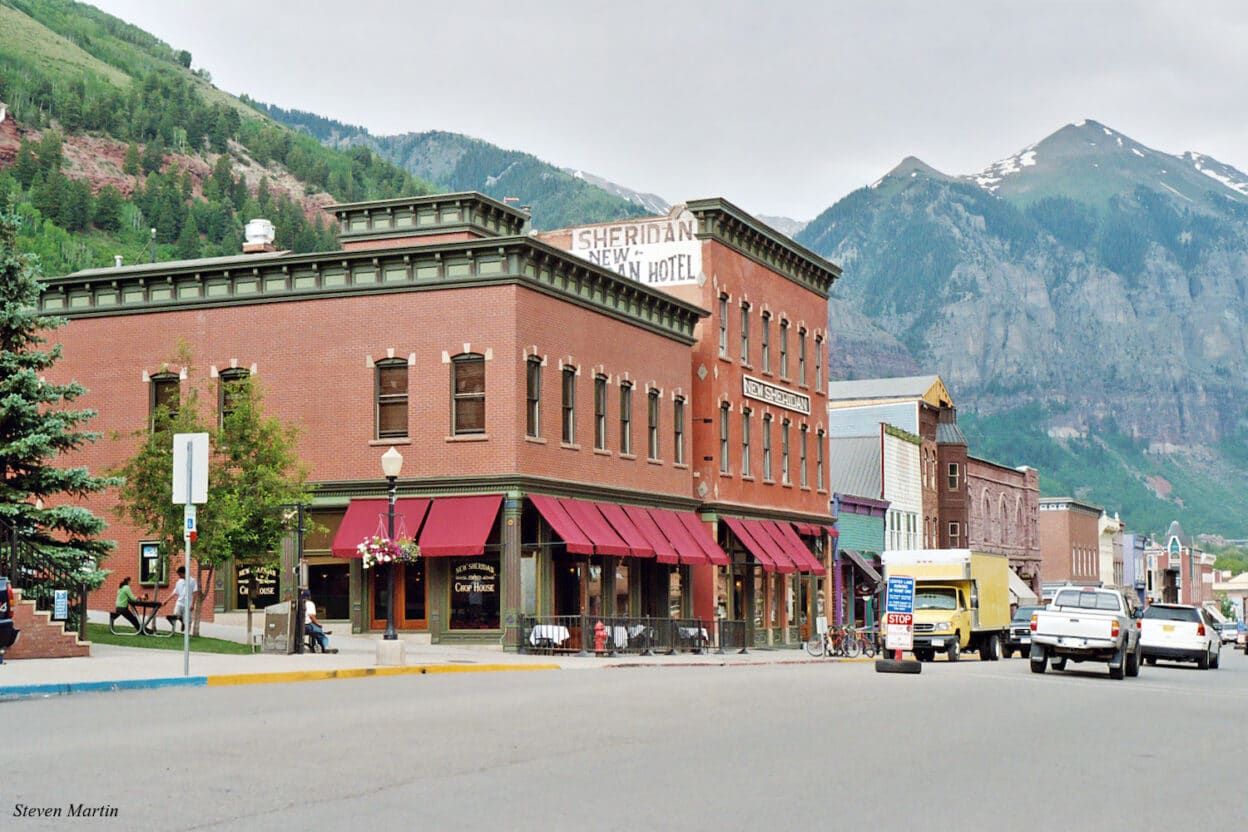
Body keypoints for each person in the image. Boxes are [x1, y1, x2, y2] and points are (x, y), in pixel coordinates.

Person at [303, 589, 337, 653]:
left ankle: (318, 645)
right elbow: (311, 616)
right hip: (307, 626)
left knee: (317, 631)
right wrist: (318, 624)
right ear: (309, 596)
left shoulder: (298, 603)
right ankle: (326, 646)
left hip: (298, 627)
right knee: (320, 633)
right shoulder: (310, 604)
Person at [166, 566, 197, 632]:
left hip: (188, 604)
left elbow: (195, 592)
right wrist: (166, 601)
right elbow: (174, 592)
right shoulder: (179, 582)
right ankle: (182, 622)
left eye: (180, 574)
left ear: (184, 573)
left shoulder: (192, 581)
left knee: (188, 620)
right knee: (176, 615)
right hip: (179, 603)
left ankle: (187, 635)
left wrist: (193, 604)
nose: (179, 576)